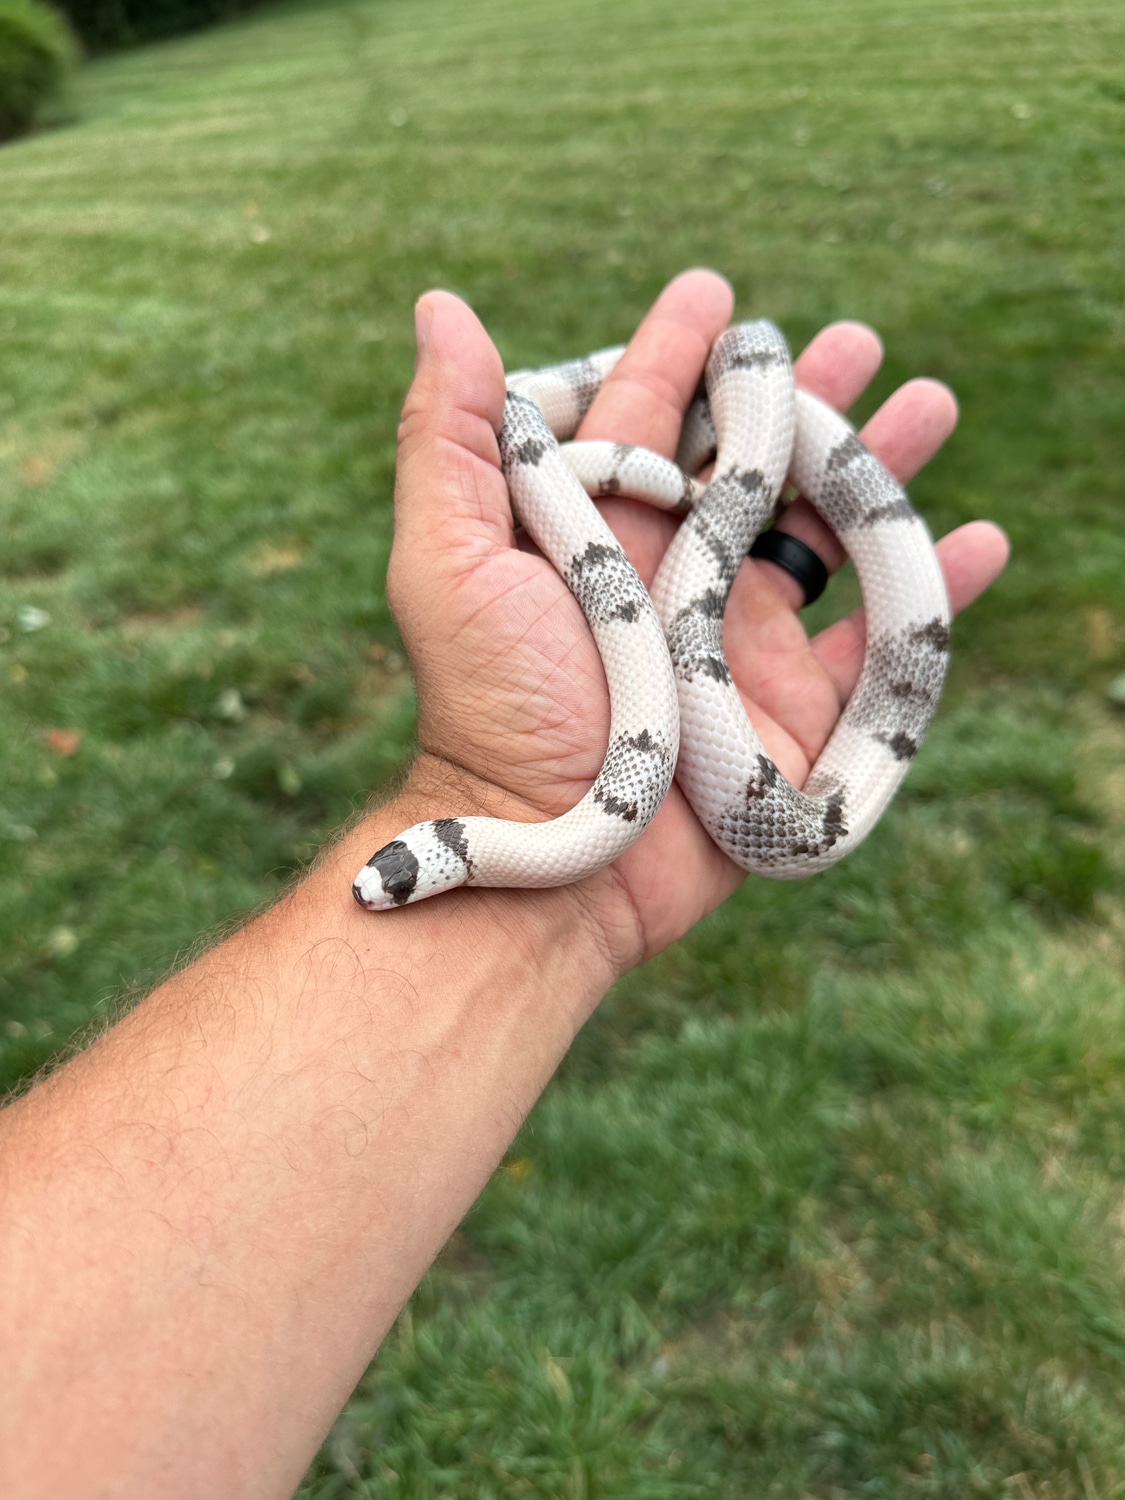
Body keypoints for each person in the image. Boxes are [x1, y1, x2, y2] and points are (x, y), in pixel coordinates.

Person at [0, 270, 1008, 1498]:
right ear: (456, 862)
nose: (383, 889)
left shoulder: (676, 785)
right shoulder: (591, 809)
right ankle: (695, 417)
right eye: (407, 877)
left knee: (727, 415)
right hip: (663, 555)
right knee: (718, 440)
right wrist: (650, 479)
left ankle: (686, 414)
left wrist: (647, 465)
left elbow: (692, 579)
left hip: (684, 524)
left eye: (398, 878)